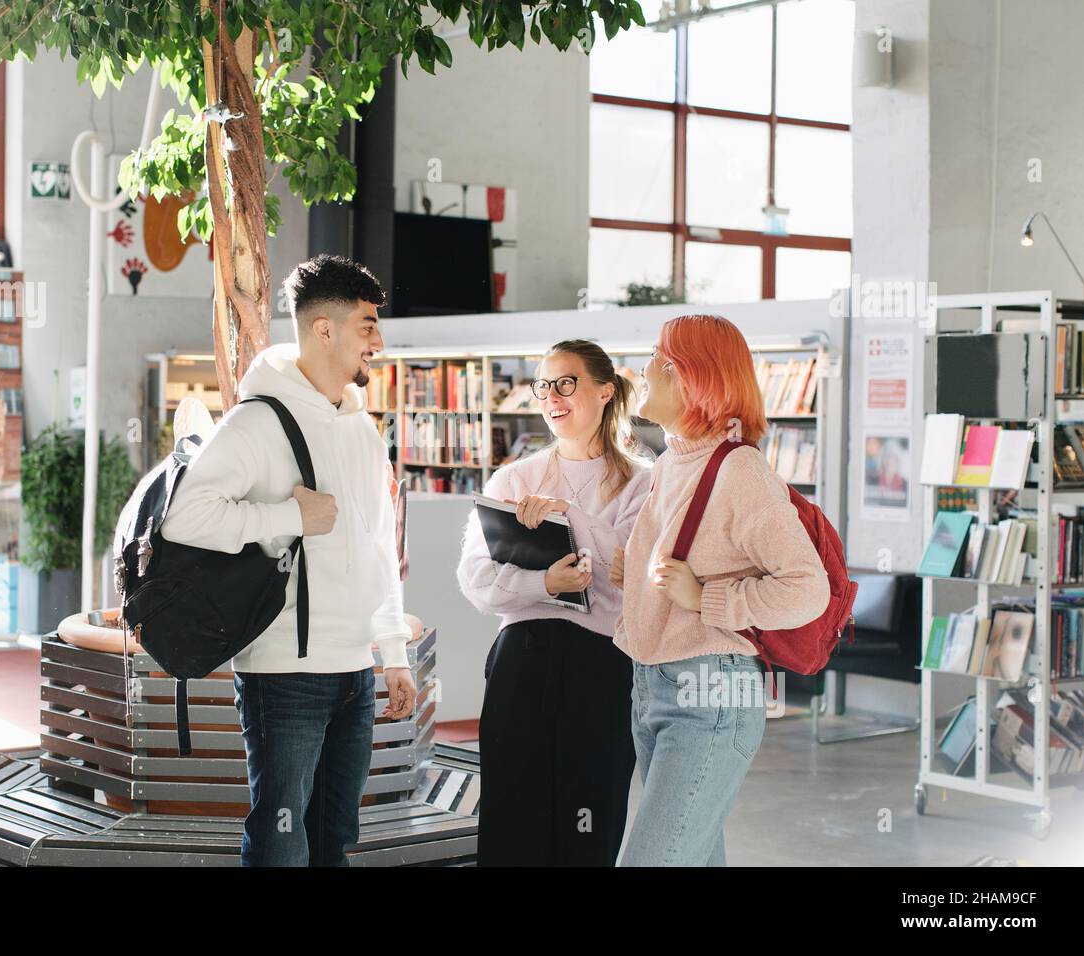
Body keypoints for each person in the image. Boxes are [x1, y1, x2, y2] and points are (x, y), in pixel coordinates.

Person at [160, 254, 417, 867]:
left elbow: (380, 548)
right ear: (323, 329)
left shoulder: (361, 429)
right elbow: (185, 517)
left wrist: (394, 656)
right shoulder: (257, 422)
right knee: (281, 842)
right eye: (366, 324)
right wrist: (290, 518)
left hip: (354, 672)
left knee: (334, 840)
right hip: (285, 675)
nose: (378, 340)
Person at [612, 314, 830, 867]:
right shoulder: (673, 462)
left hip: (709, 694)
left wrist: (708, 599)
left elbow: (808, 589)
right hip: (653, 685)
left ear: (691, 376)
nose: (644, 371)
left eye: (658, 361)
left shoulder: (739, 471)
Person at [457, 339, 652, 866]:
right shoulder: (515, 478)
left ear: (606, 391)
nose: (552, 396)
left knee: (592, 808)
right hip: (522, 656)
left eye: (567, 382)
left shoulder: (643, 482)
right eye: (544, 385)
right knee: (511, 808)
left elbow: (633, 577)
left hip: (603, 665)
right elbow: (476, 579)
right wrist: (544, 585)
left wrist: (571, 517)